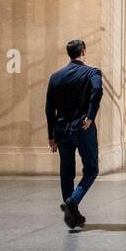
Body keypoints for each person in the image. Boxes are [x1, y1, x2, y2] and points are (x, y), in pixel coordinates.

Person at [46, 39, 103, 229]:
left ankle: (73, 215)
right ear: (83, 52)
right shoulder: (92, 72)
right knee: (92, 170)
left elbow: (49, 109)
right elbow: (97, 90)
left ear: (69, 54)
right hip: (83, 128)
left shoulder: (55, 77)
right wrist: (91, 116)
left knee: (66, 172)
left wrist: (51, 136)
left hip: (62, 130)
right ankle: (72, 202)